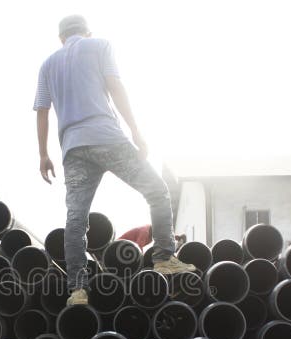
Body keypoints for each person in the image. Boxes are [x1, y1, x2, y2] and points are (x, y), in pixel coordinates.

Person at [34, 15, 196, 306]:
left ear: (61, 38)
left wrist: (43, 154)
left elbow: (42, 111)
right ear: (86, 32)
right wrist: (136, 131)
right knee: (157, 192)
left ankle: (77, 290)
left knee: (76, 220)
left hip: (73, 148)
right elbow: (115, 86)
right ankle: (163, 258)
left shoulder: (48, 64)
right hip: (106, 136)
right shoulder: (99, 45)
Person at [119, 224, 187, 251]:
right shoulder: (145, 231)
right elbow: (138, 248)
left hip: (126, 250)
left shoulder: (150, 238)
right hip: (118, 246)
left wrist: (177, 237)